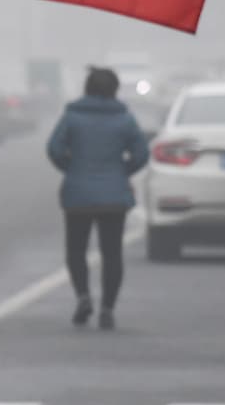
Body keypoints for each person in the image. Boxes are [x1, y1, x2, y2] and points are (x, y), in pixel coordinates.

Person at [45, 67, 150, 331]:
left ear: (87, 88)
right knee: (112, 253)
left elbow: (54, 149)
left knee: (76, 250)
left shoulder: (72, 117)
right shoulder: (124, 119)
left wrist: (72, 168)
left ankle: (83, 296)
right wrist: (122, 172)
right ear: (114, 90)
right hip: (114, 196)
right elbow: (141, 154)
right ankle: (107, 309)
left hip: (78, 194)